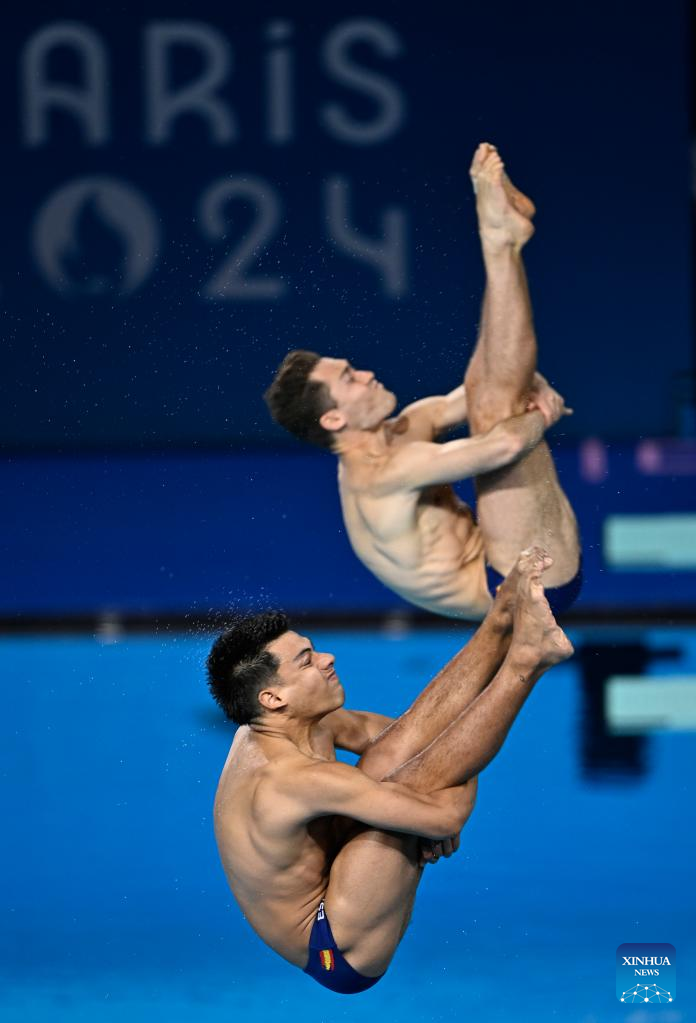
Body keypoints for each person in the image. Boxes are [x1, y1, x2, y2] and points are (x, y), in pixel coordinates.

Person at [208, 548, 573, 994]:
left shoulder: (288, 725)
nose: (327, 659)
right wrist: (440, 790)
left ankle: (499, 621)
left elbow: (397, 735)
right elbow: (446, 817)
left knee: (404, 764)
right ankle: (526, 662)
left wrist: (443, 765)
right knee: (414, 782)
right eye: (306, 660)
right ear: (273, 698)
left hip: (343, 875)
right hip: (334, 945)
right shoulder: (291, 779)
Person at [263, 143, 581, 620]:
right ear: (334, 417)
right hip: (522, 592)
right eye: (351, 378)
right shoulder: (379, 477)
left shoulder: (403, 430)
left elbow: (480, 388)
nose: (368, 374)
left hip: (512, 546)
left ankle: (503, 242)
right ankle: (499, 244)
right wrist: (543, 412)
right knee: (498, 414)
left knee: (485, 393)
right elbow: (503, 446)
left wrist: (530, 380)